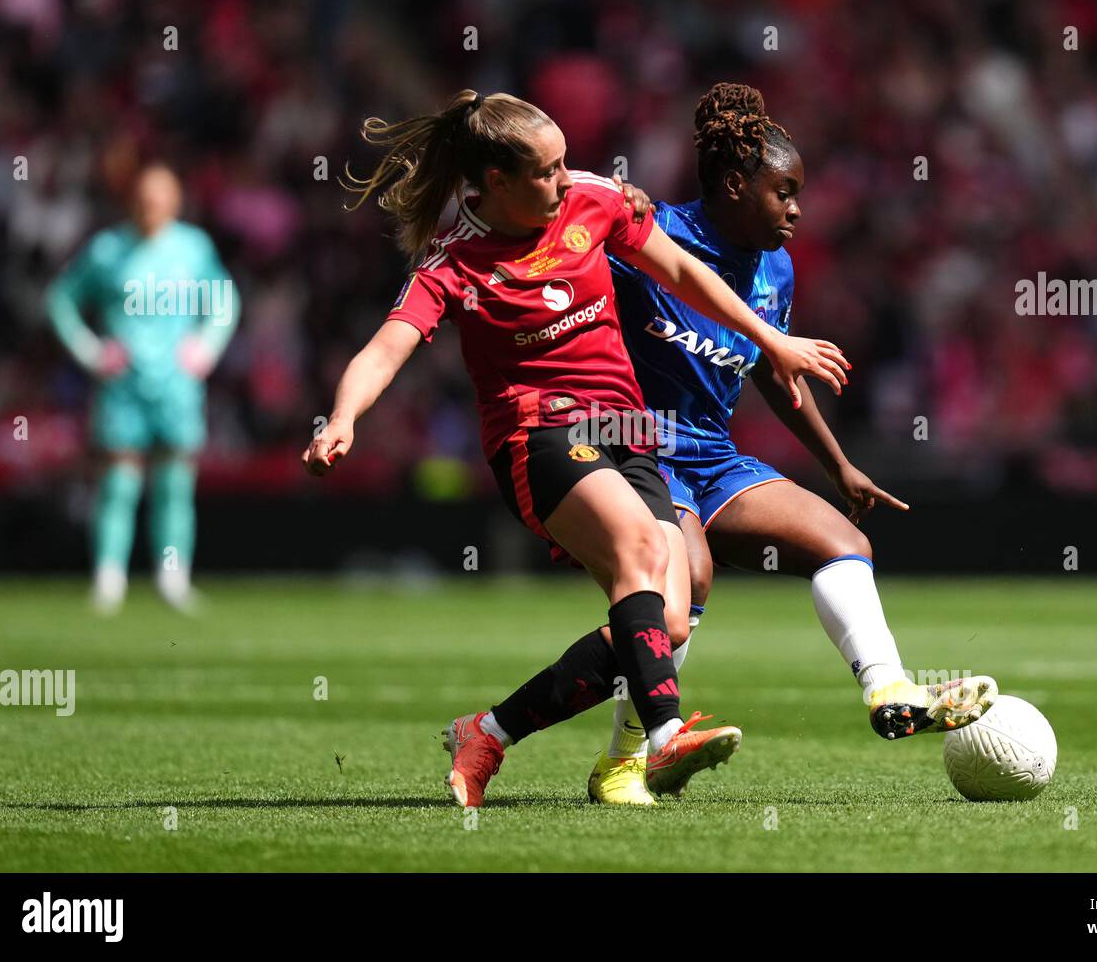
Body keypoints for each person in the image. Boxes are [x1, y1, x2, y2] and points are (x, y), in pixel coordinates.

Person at [301, 89, 851, 808]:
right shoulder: (455, 260)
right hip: (539, 434)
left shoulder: (593, 200)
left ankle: (488, 731)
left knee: (667, 617)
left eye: (567, 164)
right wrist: (341, 417)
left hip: (625, 429)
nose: (567, 181)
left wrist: (771, 338)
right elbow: (385, 348)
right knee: (636, 551)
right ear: (496, 181)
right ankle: (664, 739)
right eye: (549, 172)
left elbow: (682, 272)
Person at [587, 83, 998, 804]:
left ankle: (889, 692)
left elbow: (774, 373)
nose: (798, 209)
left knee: (840, 540)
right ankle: (625, 760)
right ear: (735, 185)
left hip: (711, 453)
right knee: (692, 578)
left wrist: (839, 465)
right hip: (638, 449)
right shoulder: (651, 242)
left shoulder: (776, 270)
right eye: (785, 192)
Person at [47, 163, 239, 614]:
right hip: (124, 385)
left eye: (159, 199)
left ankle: (173, 579)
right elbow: (61, 299)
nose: (150, 207)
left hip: (176, 386)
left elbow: (225, 299)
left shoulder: (193, 248)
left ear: (174, 202)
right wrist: (90, 352)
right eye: (144, 198)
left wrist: (206, 348)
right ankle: (108, 580)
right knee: (119, 483)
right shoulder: (108, 249)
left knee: (174, 482)